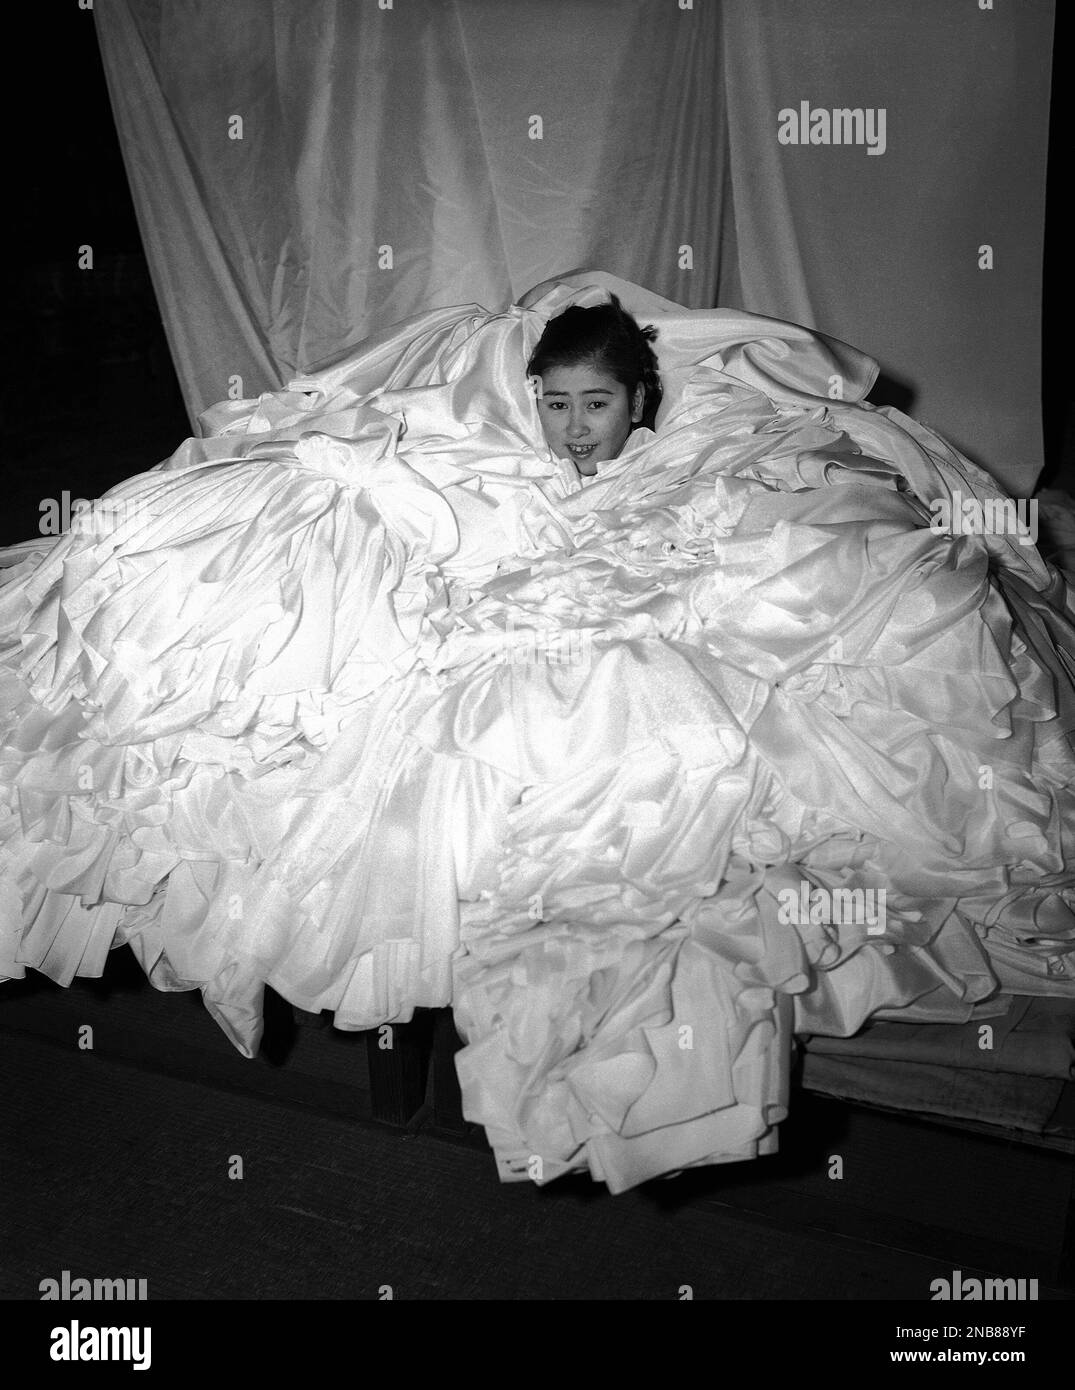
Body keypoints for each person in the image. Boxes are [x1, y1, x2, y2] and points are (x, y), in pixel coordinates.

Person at [526, 296, 662, 476]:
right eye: (559, 405)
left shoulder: (676, 462)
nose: (576, 429)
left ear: (635, 401)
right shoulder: (516, 465)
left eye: (596, 404)